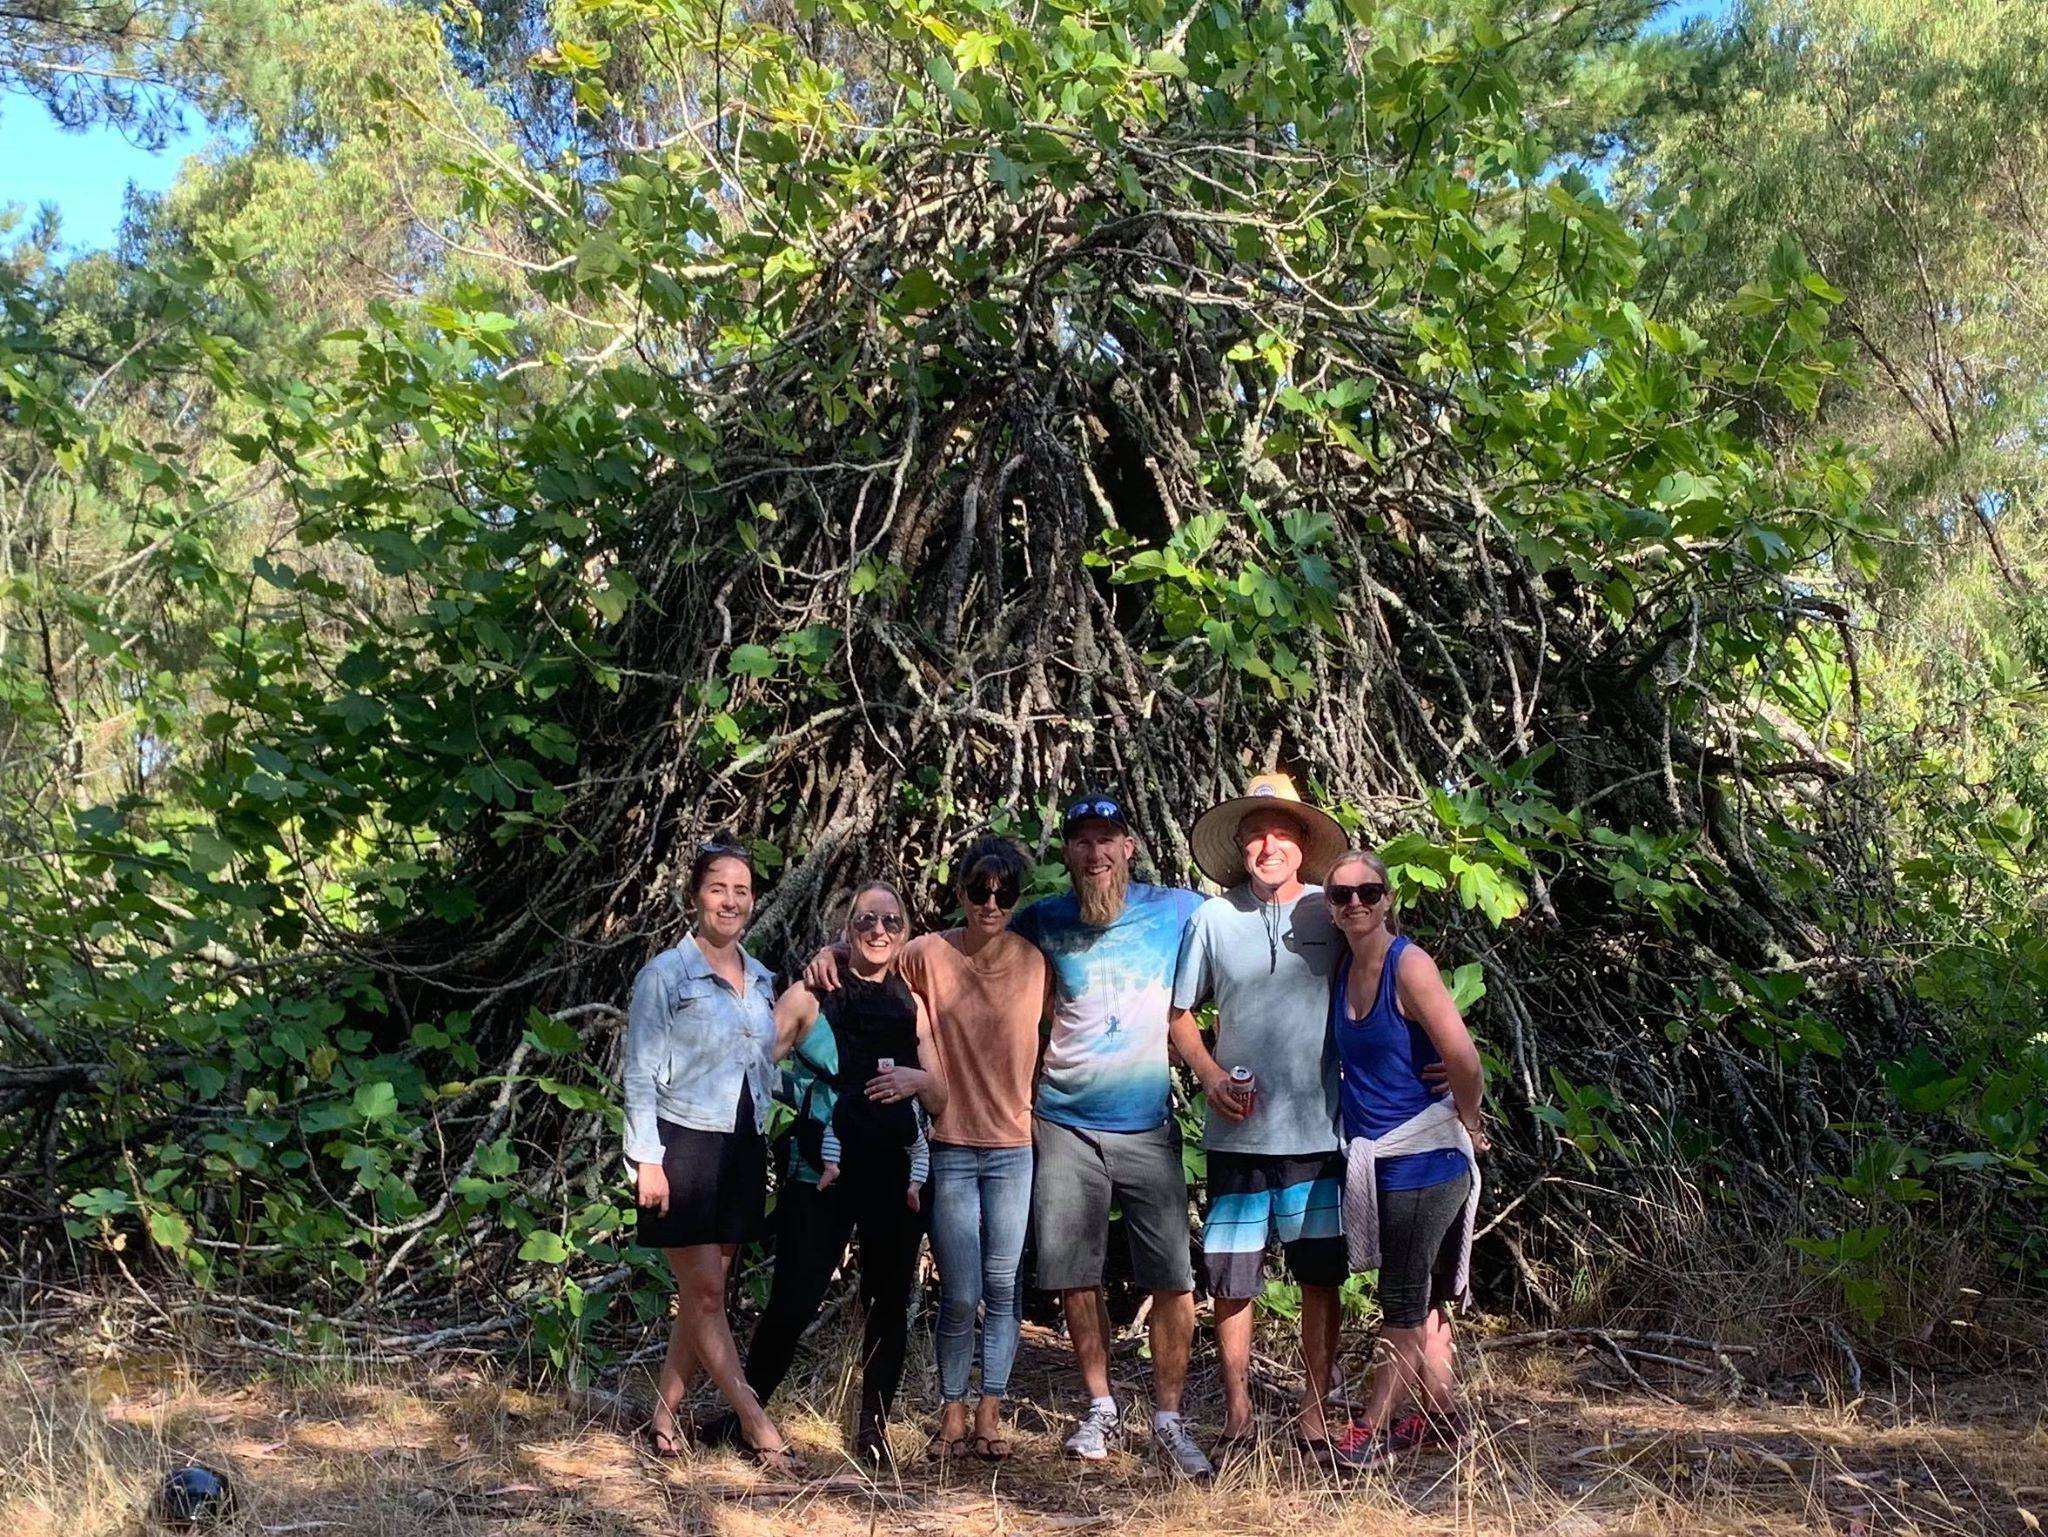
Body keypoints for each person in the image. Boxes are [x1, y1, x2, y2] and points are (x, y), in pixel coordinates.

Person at [1011, 791, 1212, 1480]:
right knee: (1075, 1272)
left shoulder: (1178, 909)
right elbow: (977, 967)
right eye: (1082, 841)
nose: (1096, 854)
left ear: (1130, 845)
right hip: (1063, 1123)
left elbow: (1254, 930)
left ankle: (1168, 1415)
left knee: (1174, 1277)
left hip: (1148, 1125)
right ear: (1065, 851)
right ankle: (1099, 1406)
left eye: (1108, 840)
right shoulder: (1041, 921)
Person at [1166, 774, 1350, 1464]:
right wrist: (1210, 1075)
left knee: (1318, 1275)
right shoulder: (1212, 919)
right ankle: (1239, 1409)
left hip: (1318, 1129)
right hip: (1237, 1132)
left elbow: (1385, 982)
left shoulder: (1334, 911)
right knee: (1233, 1277)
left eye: (1281, 832)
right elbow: (1180, 1013)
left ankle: (1312, 1410)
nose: (1267, 844)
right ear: (1241, 845)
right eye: (1255, 833)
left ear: (1303, 844)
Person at [734, 880, 948, 1470]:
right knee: (794, 1298)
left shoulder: (912, 1001)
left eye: (891, 922)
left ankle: (873, 1438)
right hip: (819, 1169)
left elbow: (942, 1097)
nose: (879, 932)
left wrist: (918, 1081)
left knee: (889, 1300)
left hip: (896, 1169)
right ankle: (745, 1419)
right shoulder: (812, 991)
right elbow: (753, 1062)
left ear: (904, 932)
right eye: (865, 922)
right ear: (844, 929)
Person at [621, 839, 801, 1471]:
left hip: (742, 1147)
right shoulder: (664, 976)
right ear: (695, 895)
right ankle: (757, 1422)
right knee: (703, 1297)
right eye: (718, 886)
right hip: (681, 1146)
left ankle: (664, 1419)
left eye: (742, 889)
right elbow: (639, 1075)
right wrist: (646, 1159)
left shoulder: (761, 980)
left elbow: (767, 1064)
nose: (730, 899)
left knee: (707, 1295)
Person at [1322, 849, 1488, 1470]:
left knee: (1401, 1298)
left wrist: (1466, 1119)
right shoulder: (1345, 966)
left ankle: (1374, 1429)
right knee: (1425, 1298)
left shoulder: (1407, 964)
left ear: (1388, 897)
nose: (1356, 904)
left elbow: (1464, 1059)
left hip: (1424, 1160)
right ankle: (1441, 1415)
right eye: (1342, 896)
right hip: (1381, 1162)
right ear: (1331, 909)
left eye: (1368, 892)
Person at [900, 836, 1047, 1463]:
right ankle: (951, 1412)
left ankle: (991, 1411)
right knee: (960, 1292)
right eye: (979, 891)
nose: (991, 903)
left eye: (1004, 893)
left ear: (1016, 898)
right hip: (952, 1144)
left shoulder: (1036, 962)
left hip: (1015, 1144)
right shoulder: (925, 956)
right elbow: (867, 964)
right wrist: (827, 956)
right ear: (959, 892)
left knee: (1005, 1287)